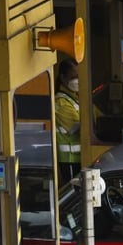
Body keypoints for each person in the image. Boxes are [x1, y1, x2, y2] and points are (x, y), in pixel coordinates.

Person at [54, 58, 82, 186]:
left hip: (80, 157)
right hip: (69, 159)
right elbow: (79, 128)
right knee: (73, 191)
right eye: (73, 76)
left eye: (78, 76)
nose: (77, 80)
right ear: (63, 77)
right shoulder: (61, 102)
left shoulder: (76, 97)